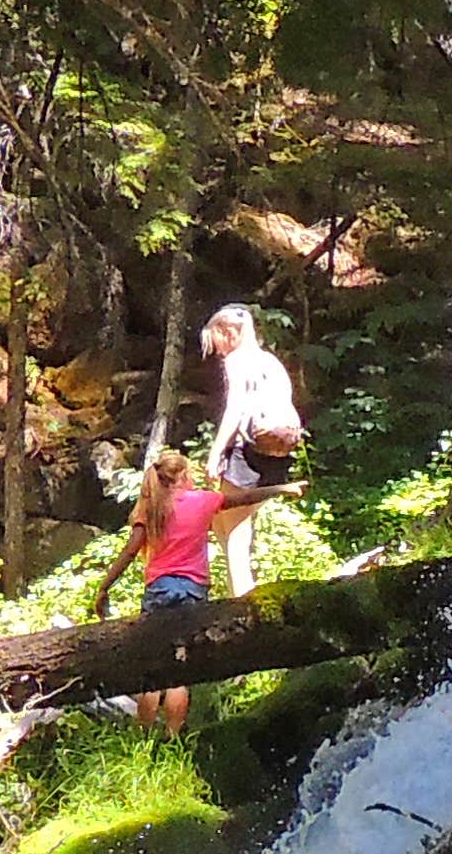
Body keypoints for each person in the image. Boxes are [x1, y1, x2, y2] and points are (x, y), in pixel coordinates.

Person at [95, 449, 281, 732]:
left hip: (158, 590)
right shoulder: (202, 501)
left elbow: (130, 551)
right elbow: (243, 498)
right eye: (190, 473)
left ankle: (143, 737)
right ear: (181, 476)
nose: (193, 478)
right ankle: (173, 735)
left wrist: (105, 587)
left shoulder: (151, 508)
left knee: (153, 669)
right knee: (180, 669)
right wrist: (280, 488)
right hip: (193, 592)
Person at [199, 303, 307, 592]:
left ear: (228, 333)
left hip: (246, 452)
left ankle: (242, 602)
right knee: (223, 522)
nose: (216, 350)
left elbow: (235, 409)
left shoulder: (237, 361)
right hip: (276, 452)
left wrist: (215, 453)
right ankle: (240, 591)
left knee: (234, 530)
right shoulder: (271, 362)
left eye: (215, 340)